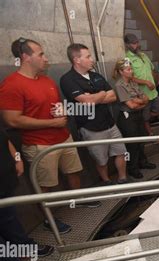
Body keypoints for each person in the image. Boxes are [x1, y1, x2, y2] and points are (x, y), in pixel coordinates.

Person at [0, 38, 94, 235]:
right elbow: (12, 121)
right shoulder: (12, 85)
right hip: (39, 145)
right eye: (41, 54)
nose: (46, 58)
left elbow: (57, 106)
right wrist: (51, 123)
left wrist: (62, 111)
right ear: (25, 57)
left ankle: (77, 201)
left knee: (73, 172)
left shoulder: (47, 81)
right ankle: (49, 219)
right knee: (45, 185)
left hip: (63, 138)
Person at [60, 43, 128, 185]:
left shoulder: (96, 76)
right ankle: (106, 181)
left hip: (110, 123)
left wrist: (94, 97)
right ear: (77, 60)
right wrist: (102, 94)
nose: (92, 60)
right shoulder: (67, 79)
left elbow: (113, 96)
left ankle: (123, 178)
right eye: (88, 56)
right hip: (91, 127)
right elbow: (87, 102)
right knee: (101, 159)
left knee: (120, 152)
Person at [0, 129, 54, 261]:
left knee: (9, 217)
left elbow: (4, 137)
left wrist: (17, 158)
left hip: (4, 177)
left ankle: (24, 248)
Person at [113, 59, 156, 179]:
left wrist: (139, 101)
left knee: (141, 140)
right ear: (121, 72)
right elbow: (131, 105)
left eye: (131, 69)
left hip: (138, 115)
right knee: (132, 145)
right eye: (128, 69)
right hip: (128, 118)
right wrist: (140, 101)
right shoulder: (119, 85)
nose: (131, 71)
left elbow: (145, 98)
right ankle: (133, 168)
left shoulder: (133, 82)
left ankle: (143, 162)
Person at [124, 33, 159, 136]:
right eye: (133, 43)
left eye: (137, 42)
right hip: (142, 94)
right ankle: (150, 133)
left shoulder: (143, 55)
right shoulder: (126, 59)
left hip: (153, 92)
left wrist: (155, 81)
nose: (136, 45)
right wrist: (146, 82)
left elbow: (151, 69)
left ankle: (152, 119)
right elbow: (129, 77)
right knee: (145, 117)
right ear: (127, 45)